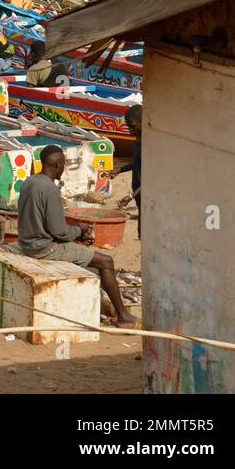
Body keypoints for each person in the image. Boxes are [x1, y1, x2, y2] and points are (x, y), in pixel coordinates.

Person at [12, 145, 136, 326]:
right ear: (58, 164)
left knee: (94, 269)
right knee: (106, 261)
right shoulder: (49, 189)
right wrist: (80, 229)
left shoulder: (30, 182)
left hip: (27, 242)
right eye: (63, 164)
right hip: (43, 248)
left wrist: (74, 230)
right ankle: (123, 316)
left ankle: (97, 308)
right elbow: (59, 232)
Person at [117, 105, 143, 239]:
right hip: (138, 192)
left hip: (144, 193)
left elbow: (152, 179)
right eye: (128, 127)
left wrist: (132, 195)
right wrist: (120, 170)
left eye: (132, 126)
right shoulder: (138, 141)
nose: (130, 131)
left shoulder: (148, 143)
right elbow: (137, 164)